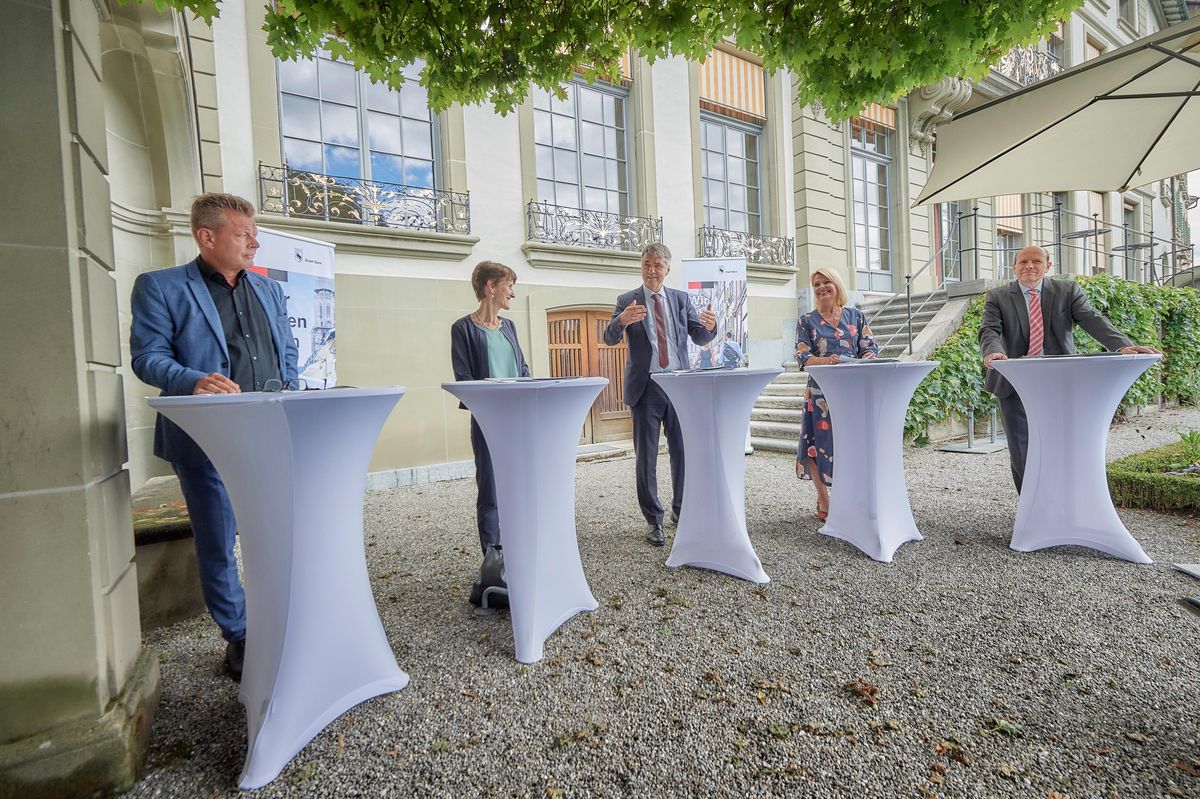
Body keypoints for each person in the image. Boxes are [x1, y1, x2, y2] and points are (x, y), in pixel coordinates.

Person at [130, 193, 298, 681]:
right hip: (204, 439)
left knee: (275, 531)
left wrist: (291, 396)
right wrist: (192, 379)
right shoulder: (160, 287)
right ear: (207, 237)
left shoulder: (268, 290)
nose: (255, 242)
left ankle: (278, 619)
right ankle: (241, 637)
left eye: (254, 233)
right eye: (244, 234)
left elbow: (285, 352)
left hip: (269, 434)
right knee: (218, 540)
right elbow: (147, 357)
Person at [979, 245, 1159, 493]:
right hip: (1014, 382)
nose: (1029, 266)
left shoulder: (1067, 291)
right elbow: (989, 329)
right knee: (1021, 448)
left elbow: (1091, 319)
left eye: (1036, 261)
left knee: (1062, 444)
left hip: (1059, 380)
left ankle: (1062, 501)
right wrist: (993, 352)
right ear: (1014, 267)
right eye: (1023, 262)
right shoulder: (998, 296)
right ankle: (1032, 507)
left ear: (1048, 266)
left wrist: (1122, 346)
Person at [603, 243, 717, 546]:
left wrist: (712, 326)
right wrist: (622, 321)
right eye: (646, 264)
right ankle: (653, 519)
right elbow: (609, 337)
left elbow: (700, 336)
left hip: (679, 387)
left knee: (682, 452)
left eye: (657, 265)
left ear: (667, 269)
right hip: (646, 387)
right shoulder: (627, 300)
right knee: (647, 457)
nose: (651, 270)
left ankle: (682, 510)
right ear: (641, 267)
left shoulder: (680, 299)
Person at [450, 261, 530, 607]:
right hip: (487, 421)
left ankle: (520, 556)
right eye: (508, 285)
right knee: (491, 489)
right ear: (489, 288)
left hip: (518, 420)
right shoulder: (462, 329)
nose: (512, 292)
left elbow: (523, 369)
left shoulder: (509, 326)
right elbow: (464, 379)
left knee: (520, 485)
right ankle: (493, 563)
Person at [794, 267, 878, 521]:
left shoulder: (856, 316)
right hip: (819, 393)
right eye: (817, 284)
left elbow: (869, 349)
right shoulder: (807, 320)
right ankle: (823, 497)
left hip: (852, 392)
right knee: (814, 444)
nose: (821, 287)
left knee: (851, 443)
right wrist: (829, 361)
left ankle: (849, 495)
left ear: (837, 284)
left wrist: (865, 360)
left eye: (826, 282)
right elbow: (803, 357)